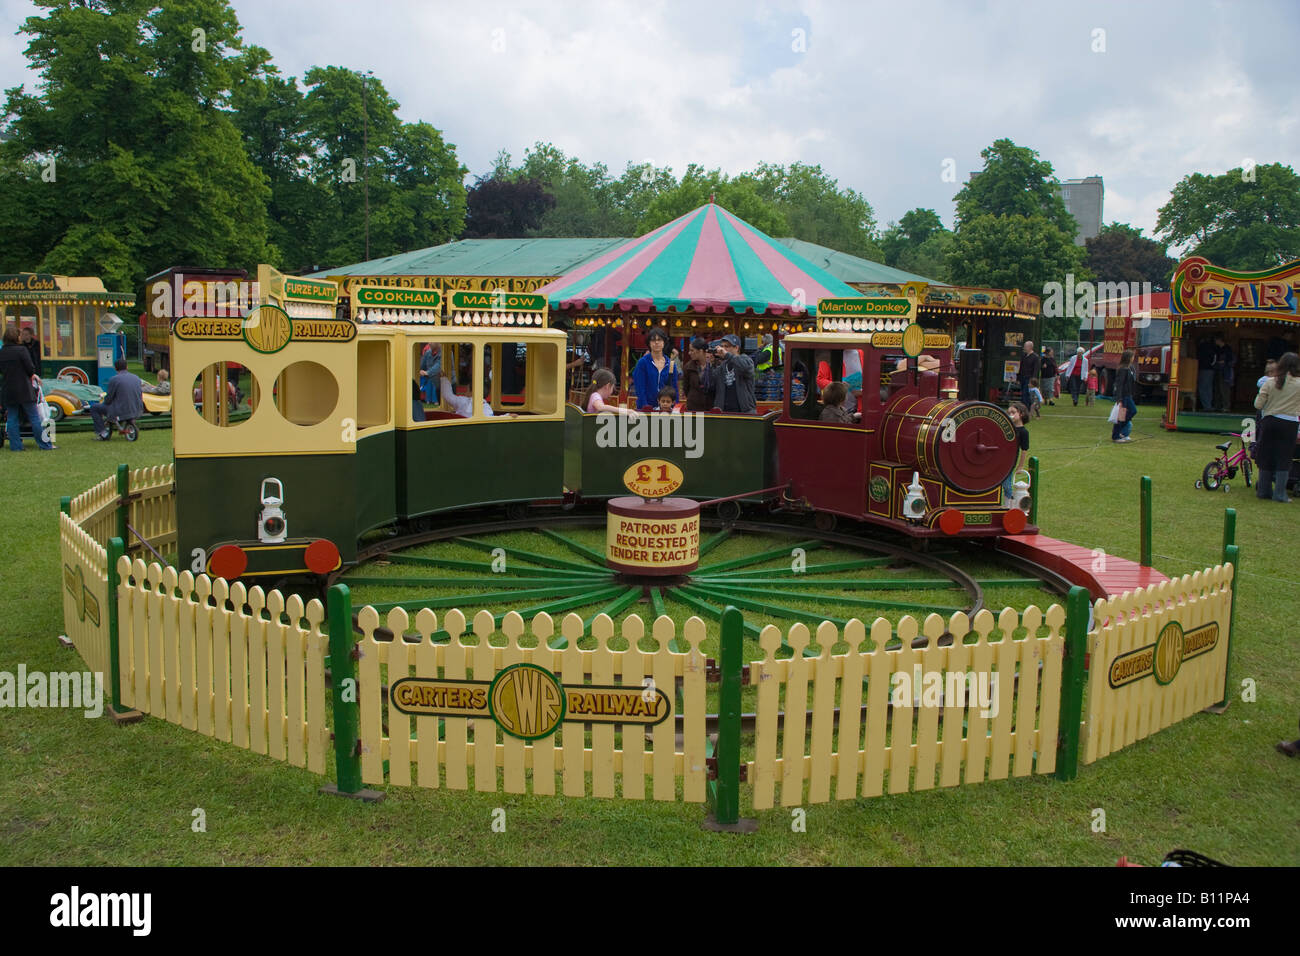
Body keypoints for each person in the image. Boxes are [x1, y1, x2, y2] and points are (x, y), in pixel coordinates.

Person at [1252, 351, 1300, 503]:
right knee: (1283, 458)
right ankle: (1280, 494)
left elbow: (1258, 404)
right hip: (1289, 423)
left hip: (1270, 421)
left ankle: (1263, 491)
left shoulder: (1270, 382)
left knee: (1266, 455)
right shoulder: (1299, 383)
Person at [2, 325, 54, 451]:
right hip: (24, 388)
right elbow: (30, 368)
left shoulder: (2, 352)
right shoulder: (21, 350)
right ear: (16, 337)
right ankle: (44, 445)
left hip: (8, 388)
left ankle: (16, 446)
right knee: (34, 417)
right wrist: (32, 375)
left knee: (12, 418)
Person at [87, 358, 145, 440]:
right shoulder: (136, 378)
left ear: (115, 368)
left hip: (120, 411)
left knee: (94, 408)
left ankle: (102, 432)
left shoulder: (114, 380)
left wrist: (104, 402)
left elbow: (109, 398)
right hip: (137, 409)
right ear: (127, 367)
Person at [708, 334, 757, 414]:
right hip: (725, 412)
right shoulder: (722, 366)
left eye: (726, 346)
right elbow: (712, 384)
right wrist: (712, 363)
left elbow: (745, 368)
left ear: (736, 348)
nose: (723, 349)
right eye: (722, 346)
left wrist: (727, 355)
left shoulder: (745, 359)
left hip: (744, 411)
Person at [631, 327, 678, 409]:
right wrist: (645, 407)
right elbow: (640, 388)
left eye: (659, 340)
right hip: (646, 408)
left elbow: (674, 388)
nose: (656, 342)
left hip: (666, 409)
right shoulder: (643, 363)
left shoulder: (671, 364)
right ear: (649, 343)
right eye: (653, 340)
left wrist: (675, 407)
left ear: (664, 342)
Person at [1002, 401, 1030, 507]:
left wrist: (1020, 465)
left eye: (1013, 412)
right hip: (1000, 459)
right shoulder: (1008, 428)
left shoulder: (1023, 432)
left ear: (1021, 414)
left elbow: (1024, 450)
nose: (1010, 415)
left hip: (1010, 461)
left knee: (1007, 485)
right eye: (1008, 412)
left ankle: (1008, 505)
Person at [1111, 349, 1138, 443]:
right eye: (1132, 356)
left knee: (1132, 411)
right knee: (1121, 416)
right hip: (1123, 396)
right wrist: (1119, 398)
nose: (1133, 358)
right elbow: (1120, 384)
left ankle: (1122, 432)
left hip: (1128, 395)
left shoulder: (1129, 368)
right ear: (1128, 358)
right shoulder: (1123, 369)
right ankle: (1116, 435)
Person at [681, 337, 711, 412]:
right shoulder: (688, 367)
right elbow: (686, 388)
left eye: (692, 350)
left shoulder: (714, 366)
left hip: (710, 406)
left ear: (700, 351)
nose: (689, 353)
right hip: (693, 406)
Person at [1212, 334, 1235, 412]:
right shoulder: (1217, 349)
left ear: (1219, 340)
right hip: (1218, 370)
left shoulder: (1227, 349)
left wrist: (1224, 362)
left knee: (1224, 389)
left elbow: (1230, 360)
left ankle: (1226, 406)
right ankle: (1217, 405)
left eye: (1216, 340)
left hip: (1225, 372)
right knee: (1217, 388)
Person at [1196, 336, 1217, 411]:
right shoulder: (1212, 348)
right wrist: (1212, 365)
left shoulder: (1201, 348)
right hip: (1210, 369)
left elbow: (1198, 358)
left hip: (1203, 369)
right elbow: (1214, 358)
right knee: (1208, 388)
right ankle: (1208, 405)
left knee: (1202, 388)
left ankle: (1206, 406)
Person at [1017, 340, 1040, 405]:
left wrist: (1033, 381)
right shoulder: (1023, 356)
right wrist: (1018, 378)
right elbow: (1021, 367)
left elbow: (1036, 369)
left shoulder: (1035, 357)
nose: (1024, 348)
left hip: (1029, 378)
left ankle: (1027, 408)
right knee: (1023, 394)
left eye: (1025, 346)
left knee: (1026, 393)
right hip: (1022, 377)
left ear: (1030, 347)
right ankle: (1023, 408)